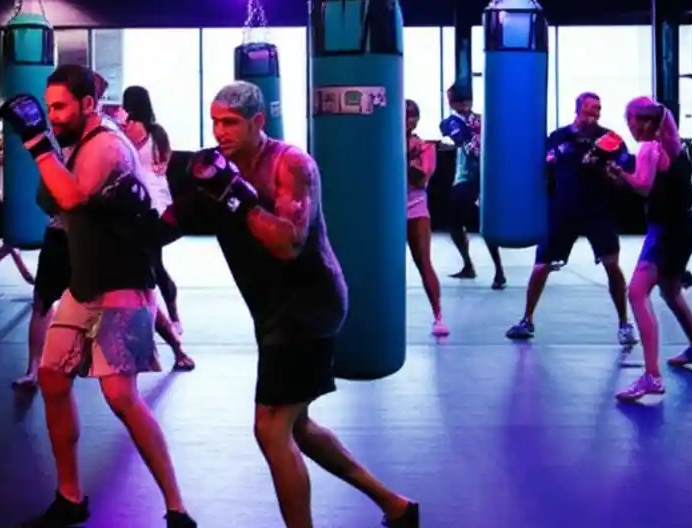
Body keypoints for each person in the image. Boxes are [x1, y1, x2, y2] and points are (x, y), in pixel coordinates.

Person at [162, 81, 419, 528]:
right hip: (273, 310)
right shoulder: (218, 169)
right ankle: (395, 505)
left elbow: (289, 243)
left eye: (230, 123)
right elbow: (171, 225)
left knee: (271, 428)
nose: (219, 131)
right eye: (215, 121)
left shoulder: (291, 165)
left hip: (308, 305)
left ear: (258, 122)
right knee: (297, 425)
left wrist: (235, 195)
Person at [0, 65, 195, 528]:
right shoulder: (76, 143)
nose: (53, 115)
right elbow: (52, 202)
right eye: (48, 108)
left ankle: (176, 507)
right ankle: (69, 496)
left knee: (121, 397)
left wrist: (35, 141)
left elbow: (69, 197)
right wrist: (47, 148)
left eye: (61, 106)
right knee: (50, 377)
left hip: (123, 286)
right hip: (85, 285)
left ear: (88, 105)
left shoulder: (106, 145)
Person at [505, 93, 638, 347]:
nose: (594, 115)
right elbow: (544, 172)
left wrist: (607, 171)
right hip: (562, 210)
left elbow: (625, 180)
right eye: (589, 110)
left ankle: (624, 323)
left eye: (598, 110)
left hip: (597, 211)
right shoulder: (558, 138)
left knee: (612, 266)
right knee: (541, 265)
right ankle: (527, 320)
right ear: (578, 110)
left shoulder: (610, 140)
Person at [610, 98, 692, 402]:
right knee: (669, 289)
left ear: (641, 121)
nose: (628, 126)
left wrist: (619, 172)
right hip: (689, 228)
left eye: (630, 119)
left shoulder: (650, 148)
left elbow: (642, 185)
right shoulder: (675, 144)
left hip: (667, 232)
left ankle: (652, 375)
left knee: (637, 292)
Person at [120, 85, 194, 369]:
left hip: (143, 205)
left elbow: (123, 158)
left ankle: (167, 333)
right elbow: (164, 162)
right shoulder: (158, 132)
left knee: (151, 268)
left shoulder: (130, 129)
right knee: (156, 265)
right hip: (162, 202)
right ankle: (173, 319)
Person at [439, 85, 505, 288]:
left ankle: (497, 270)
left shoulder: (477, 121)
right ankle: (475, 266)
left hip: (477, 178)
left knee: (482, 224)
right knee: (456, 223)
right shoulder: (456, 121)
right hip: (467, 178)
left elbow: (474, 148)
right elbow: (458, 138)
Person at [406, 100, 446, 337]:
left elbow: (422, 179)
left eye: (413, 116)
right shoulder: (386, 142)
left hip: (415, 206)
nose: (409, 120)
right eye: (406, 115)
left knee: (423, 261)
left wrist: (406, 155)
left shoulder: (424, 147)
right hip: (387, 208)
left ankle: (438, 315)